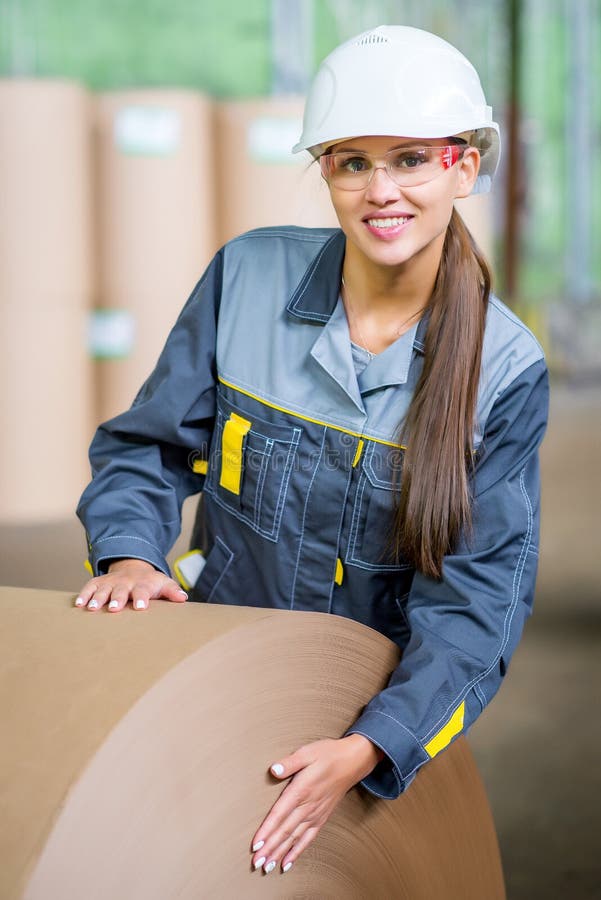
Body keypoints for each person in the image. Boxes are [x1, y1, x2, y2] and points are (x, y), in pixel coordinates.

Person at [75, 25, 548, 877]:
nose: (381, 191)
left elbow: (476, 614)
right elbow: (144, 448)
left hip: (361, 711)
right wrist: (129, 554)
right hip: (210, 664)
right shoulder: (244, 278)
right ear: (323, 169)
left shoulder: (503, 373)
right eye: (351, 161)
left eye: (410, 159)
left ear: (463, 167)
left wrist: (371, 746)